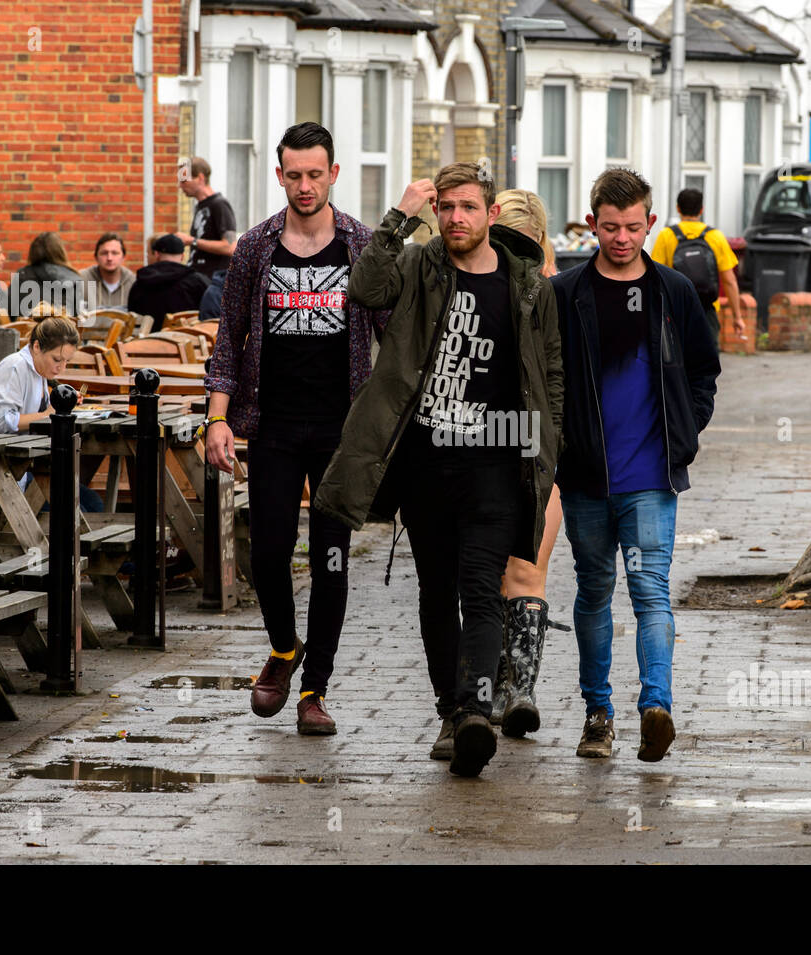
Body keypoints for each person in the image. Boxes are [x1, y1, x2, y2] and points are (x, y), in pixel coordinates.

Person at [312, 162, 563, 778]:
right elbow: (363, 291)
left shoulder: (528, 285)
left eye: (467, 207)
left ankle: (476, 709)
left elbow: (550, 374)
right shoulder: (421, 265)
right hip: (426, 465)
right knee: (434, 594)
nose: (455, 218)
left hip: (497, 466)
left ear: (490, 214)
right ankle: (451, 711)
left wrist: (545, 446)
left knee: (480, 591)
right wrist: (399, 216)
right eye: (446, 207)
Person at [203, 122, 391, 736]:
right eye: (294, 174)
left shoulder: (361, 245)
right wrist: (217, 419)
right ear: (279, 175)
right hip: (275, 425)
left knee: (333, 560)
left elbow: (393, 331)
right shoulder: (257, 248)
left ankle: (315, 692)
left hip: (342, 431)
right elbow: (229, 337)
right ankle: (285, 649)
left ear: (334, 174)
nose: (305, 185)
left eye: (316, 174)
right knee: (269, 553)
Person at [550, 169, 721, 762]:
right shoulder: (565, 295)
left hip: (651, 477)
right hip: (585, 478)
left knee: (650, 591)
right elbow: (546, 380)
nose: (621, 238)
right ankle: (598, 713)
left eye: (632, 226)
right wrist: (556, 445)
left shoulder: (672, 291)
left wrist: (686, 432)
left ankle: (657, 707)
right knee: (594, 590)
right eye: (610, 226)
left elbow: (704, 371)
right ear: (591, 222)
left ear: (651, 223)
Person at [485, 188, 563, 739]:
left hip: (526, 448)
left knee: (509, 571)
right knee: (511, 572)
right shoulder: (555, 291)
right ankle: (512, 689)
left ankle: (511, 694)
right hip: (516, 446)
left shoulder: (551, 296)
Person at [649, 187, 745, 342]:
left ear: (678, 208)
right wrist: (737, 317)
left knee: (678, 360)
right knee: (707, 362)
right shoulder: (716, 237)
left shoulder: (666, 236)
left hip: (676, 310)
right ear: (701, 209)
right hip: (707, 311)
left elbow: (654, 277)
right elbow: (729, 281)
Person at [0, 314, 80, 434]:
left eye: (67, 361)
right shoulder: (14, 367)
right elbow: (0, 421)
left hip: (18, 446)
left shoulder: (39, 369)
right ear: (37, 346)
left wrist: (64, 402)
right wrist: (47, 415)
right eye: (56, 359)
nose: (62, 368)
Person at [127, 234, 211, 331]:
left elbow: (132, 317)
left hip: (146, 343)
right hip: (186, 342)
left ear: (157, 255)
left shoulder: (139, 284)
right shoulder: (198, 282)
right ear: (182, 256)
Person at [176, 157, 238, 278]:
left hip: (212, 282)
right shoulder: (201, 206)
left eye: (184, 181)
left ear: (200, 178)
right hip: (197, 277)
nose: (180, 186)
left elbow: (230, 247)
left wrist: (191, 241)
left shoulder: (219, 204)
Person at [11, 232, 84, 317]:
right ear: (60, 251)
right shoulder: (74, 278)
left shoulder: (22, 275)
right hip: (63, 329)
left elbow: (9, 312)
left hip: (29, 329)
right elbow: (79, 319)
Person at [80, 232, 136, 310]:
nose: (109, 258)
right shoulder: (82, 279)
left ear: (123, 257)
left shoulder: (134, 283)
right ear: (96, 257)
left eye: (115, 253)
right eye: (104, 253)